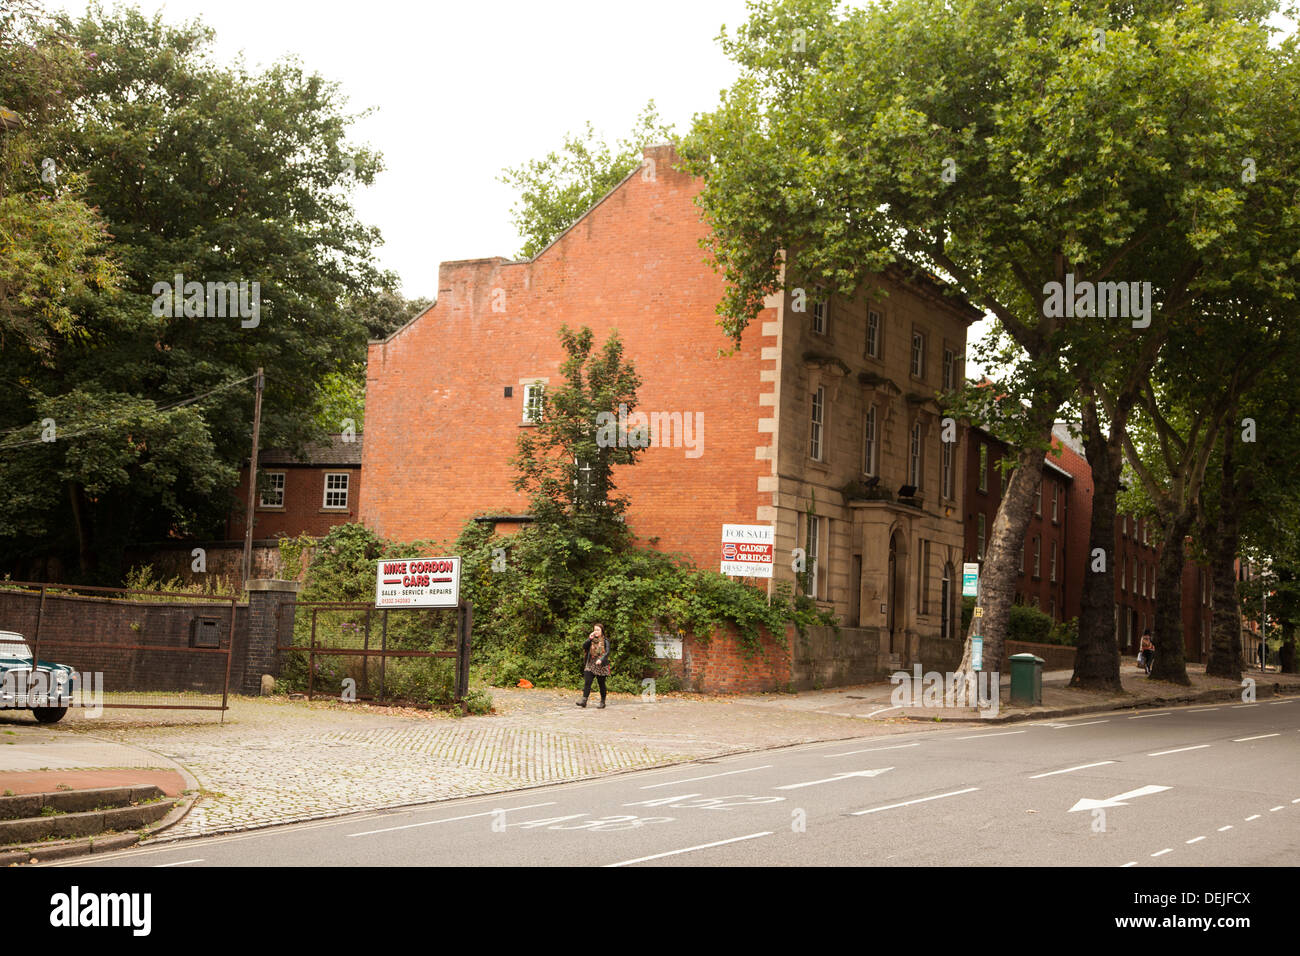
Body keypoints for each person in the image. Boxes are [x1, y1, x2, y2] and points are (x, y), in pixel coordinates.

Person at [576, 623, 612, 709]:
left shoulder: (605, 640)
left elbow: (607, 652)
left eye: (598, 630)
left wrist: (601, 659)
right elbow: (584, 646)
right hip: (591, 662)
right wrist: (589, 638)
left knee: (601, 684)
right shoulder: (591, 640)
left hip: (601, 664)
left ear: (602, 631)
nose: (596, 631)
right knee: (587, 681)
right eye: (595, 630)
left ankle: (602, 702)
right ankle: (584, 701)